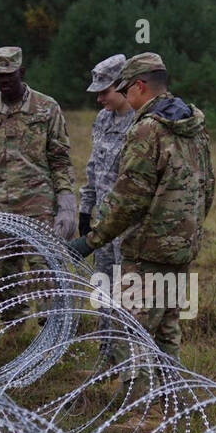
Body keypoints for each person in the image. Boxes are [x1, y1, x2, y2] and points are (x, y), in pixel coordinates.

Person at [67, 52, 216, 379]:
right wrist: (186, 230)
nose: (123, 96)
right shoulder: (192, 124)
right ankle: (171, 396)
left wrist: (91, 240)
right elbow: (208, 185)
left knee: (129, 331)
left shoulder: (147, 129)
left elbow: (129, 198)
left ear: (139, 86)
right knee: (167, 329)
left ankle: (137, 404)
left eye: (124, 89)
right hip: (182, 247)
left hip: (147, 249)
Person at [0, 46, 76, 324]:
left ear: (21, 72)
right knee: (7, 271)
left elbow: (60, 157)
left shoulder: (46, 108)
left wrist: (66, 199)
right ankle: (12, 329)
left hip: (39, 206)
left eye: (8, 75)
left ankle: (51, 328)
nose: (3, 81)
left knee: (45, 267)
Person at [79, 53, 133, 365]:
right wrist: (85, 209)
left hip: (128, 225)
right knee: (102, 288)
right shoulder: (102, 119)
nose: (99, 99)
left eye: (104, 92)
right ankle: (107, 353)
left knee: (129, 292)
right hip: (102, 222)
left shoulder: (142, 123)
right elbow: (93, 167)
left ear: (123, 86)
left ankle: (131, 357)